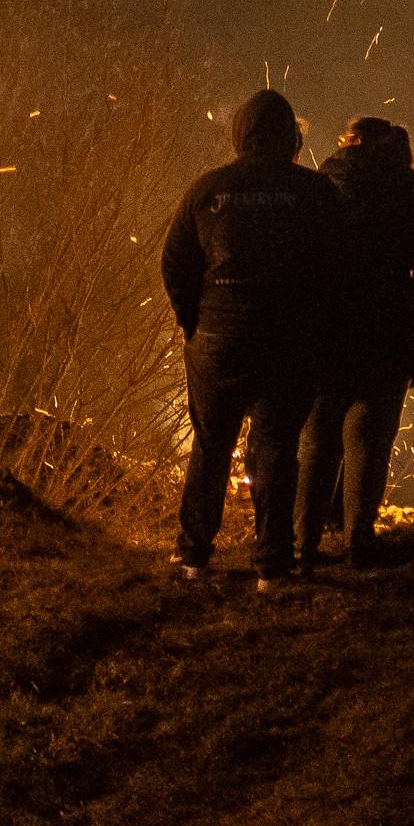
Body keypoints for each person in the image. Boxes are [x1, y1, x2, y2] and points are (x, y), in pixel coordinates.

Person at [156, 88, 359, 585]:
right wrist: (318, 328)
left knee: (210, 447)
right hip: (289, 343)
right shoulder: (315, 193)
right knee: (275, 450)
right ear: (291, 138)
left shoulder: (208, 189)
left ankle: (193, 558)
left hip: (218, 340)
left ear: (238, 134)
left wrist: (195, 322)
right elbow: (341, 270)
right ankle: (272, 564)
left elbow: (175, 264)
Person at [302, 114, 414, 570]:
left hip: (323, 332)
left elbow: (295, 254)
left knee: (316, 439)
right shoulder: (405, 191)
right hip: (385, 336)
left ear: (349, 143)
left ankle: (301, 540)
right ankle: (358, 540)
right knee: (369, 439)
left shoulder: (320, 186)